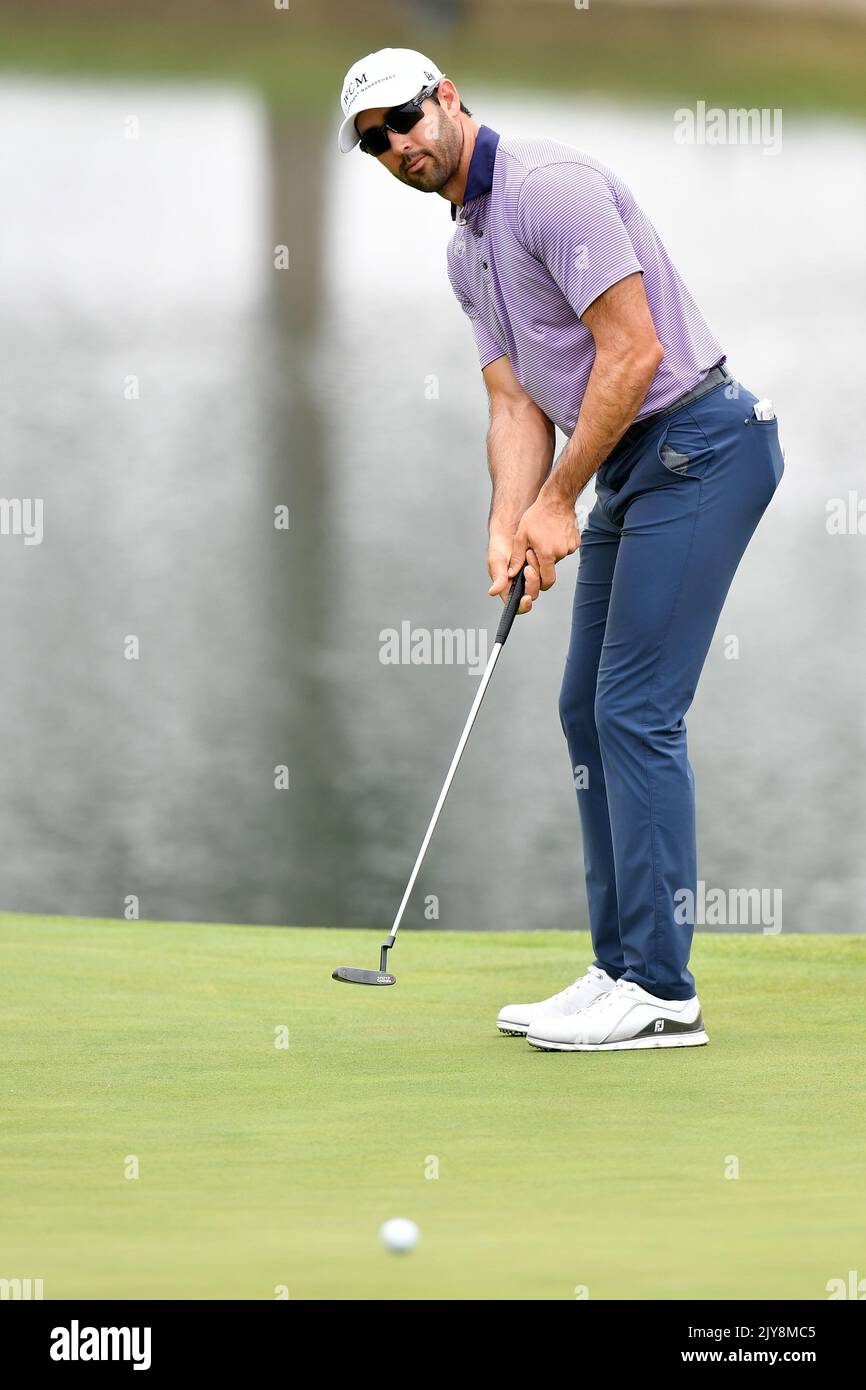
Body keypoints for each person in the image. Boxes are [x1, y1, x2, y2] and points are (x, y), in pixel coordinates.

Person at [337, 48, 784, 1053]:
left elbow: (633, 354)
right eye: (375, 142)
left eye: (404, 118)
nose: (397, 145)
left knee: (635, 709)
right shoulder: (465, 248)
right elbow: (511, 402)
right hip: (634, 462)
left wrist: (556, 500)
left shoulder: (550, 190)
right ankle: (618, 965)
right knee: (584, 707)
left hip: (704, 444)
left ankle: (662, 991)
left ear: (447, 97)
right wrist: (509, 518)